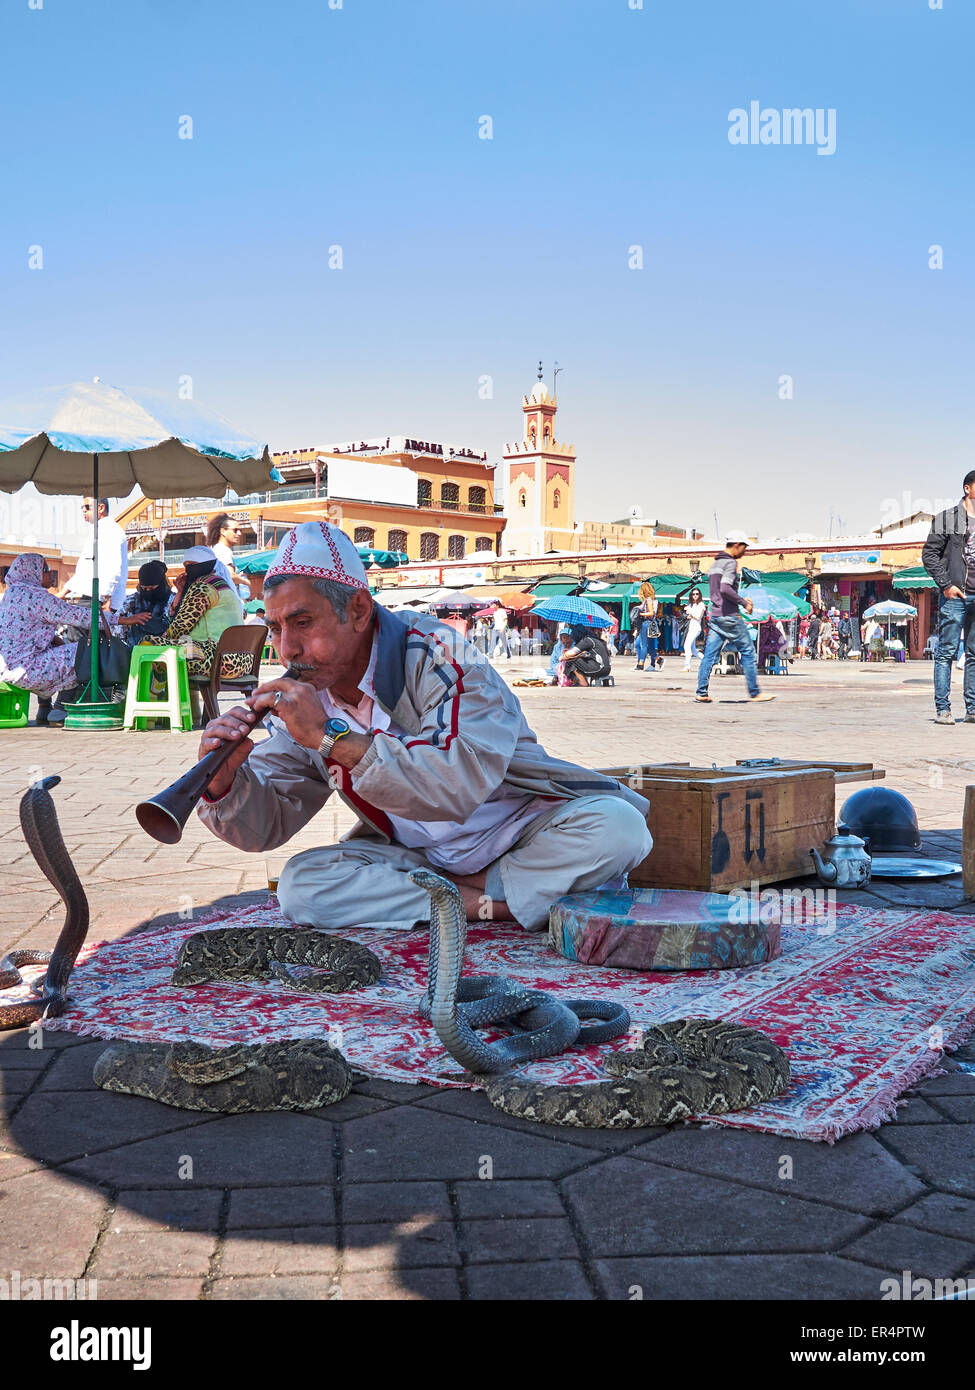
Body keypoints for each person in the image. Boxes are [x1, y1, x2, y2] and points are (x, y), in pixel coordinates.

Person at [195, 521, 653, 934]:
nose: (286, 649)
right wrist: (225, 784)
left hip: (520, 832)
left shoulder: (443, 655)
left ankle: (460, 896)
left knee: (619, 829)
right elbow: (266, 826)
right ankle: (495, 901)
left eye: (302, 623)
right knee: (302, 885)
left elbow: (454, 787)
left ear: (357, 610)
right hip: (422, 859)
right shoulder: (311, 687)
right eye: (274, 628)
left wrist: (329, 738)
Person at [0, 553, 93, 724]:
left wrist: (55, 641)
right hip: (25, 673)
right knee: (84, 651)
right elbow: (79, 616)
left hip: (7, 669)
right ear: (31, 572)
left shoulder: (10, 595)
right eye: (46, 569)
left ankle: (44, 709)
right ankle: (60, 708)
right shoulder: (37, 597)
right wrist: (121, 620)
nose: (50, 574)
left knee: (55, 649)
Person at [137, 546, 249, 681]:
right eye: (186, 566)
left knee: (149, 643)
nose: (189, 569)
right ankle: (189, 702)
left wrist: (162, 638)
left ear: (206, 565)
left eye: (193, 565)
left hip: (217, 660)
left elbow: (180, 627)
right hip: (242, 661)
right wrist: (181, 591)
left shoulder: (203, 586)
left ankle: (154, 699)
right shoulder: (224, 586)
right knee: (181, 651)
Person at [695, 531, 774, 705]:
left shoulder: (716, 563)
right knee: (747, 650)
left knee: (709, 655)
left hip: (715, 615)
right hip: (728, 616)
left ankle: (701, 692)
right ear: (736, 545)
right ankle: (754, 693)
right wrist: (743, 603)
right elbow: (725, 588)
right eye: (744, 548)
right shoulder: (730, 563)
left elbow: (718, 589)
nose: (744, 552)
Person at [922, 471, 975, 724]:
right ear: (968, 488)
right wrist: (946, 585)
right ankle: (943, 709)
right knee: (946, 653)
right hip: (955, 595)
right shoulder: (947, 519)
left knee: (973, 654)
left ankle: (972, 709)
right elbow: (929, 555)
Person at [61, 498, 129, 614]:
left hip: (100, 599)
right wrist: (63, 592)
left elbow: (114, 568)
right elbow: (84, 570)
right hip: (94, 597)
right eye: (83, 507)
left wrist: (108, 599)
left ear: (101, 508)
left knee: (77, 627)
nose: (84, 511)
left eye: (87, 507)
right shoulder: (100, 530)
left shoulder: (110, 530)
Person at [114, 561, 173, 641]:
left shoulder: (172, 599)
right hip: (135, 649)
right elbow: (116, 622)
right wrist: (129, 620)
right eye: (144, 588)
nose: (148, 591)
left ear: (161, 584)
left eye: (152, 588)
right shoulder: (132, 600)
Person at [206, 513, 247, 592]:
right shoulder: (223, 550)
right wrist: (244, 581)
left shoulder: (215, 548)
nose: (239, 533)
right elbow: (230, 577)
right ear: (223, 531)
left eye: (240, 530)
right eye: (235, 530)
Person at [682, 587, 706, 671]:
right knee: (693, 649)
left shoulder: (701, 605)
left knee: (686, 645)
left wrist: (690, 612)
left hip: (696, 628)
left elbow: (698, 617)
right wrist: (688, 615)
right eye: (693, 594)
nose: (695, 596)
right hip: (691, 627)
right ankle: (706, 661)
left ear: (699, 595)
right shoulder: (691, 605)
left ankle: (687, 666)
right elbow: (689, 616)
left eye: (697, 594)